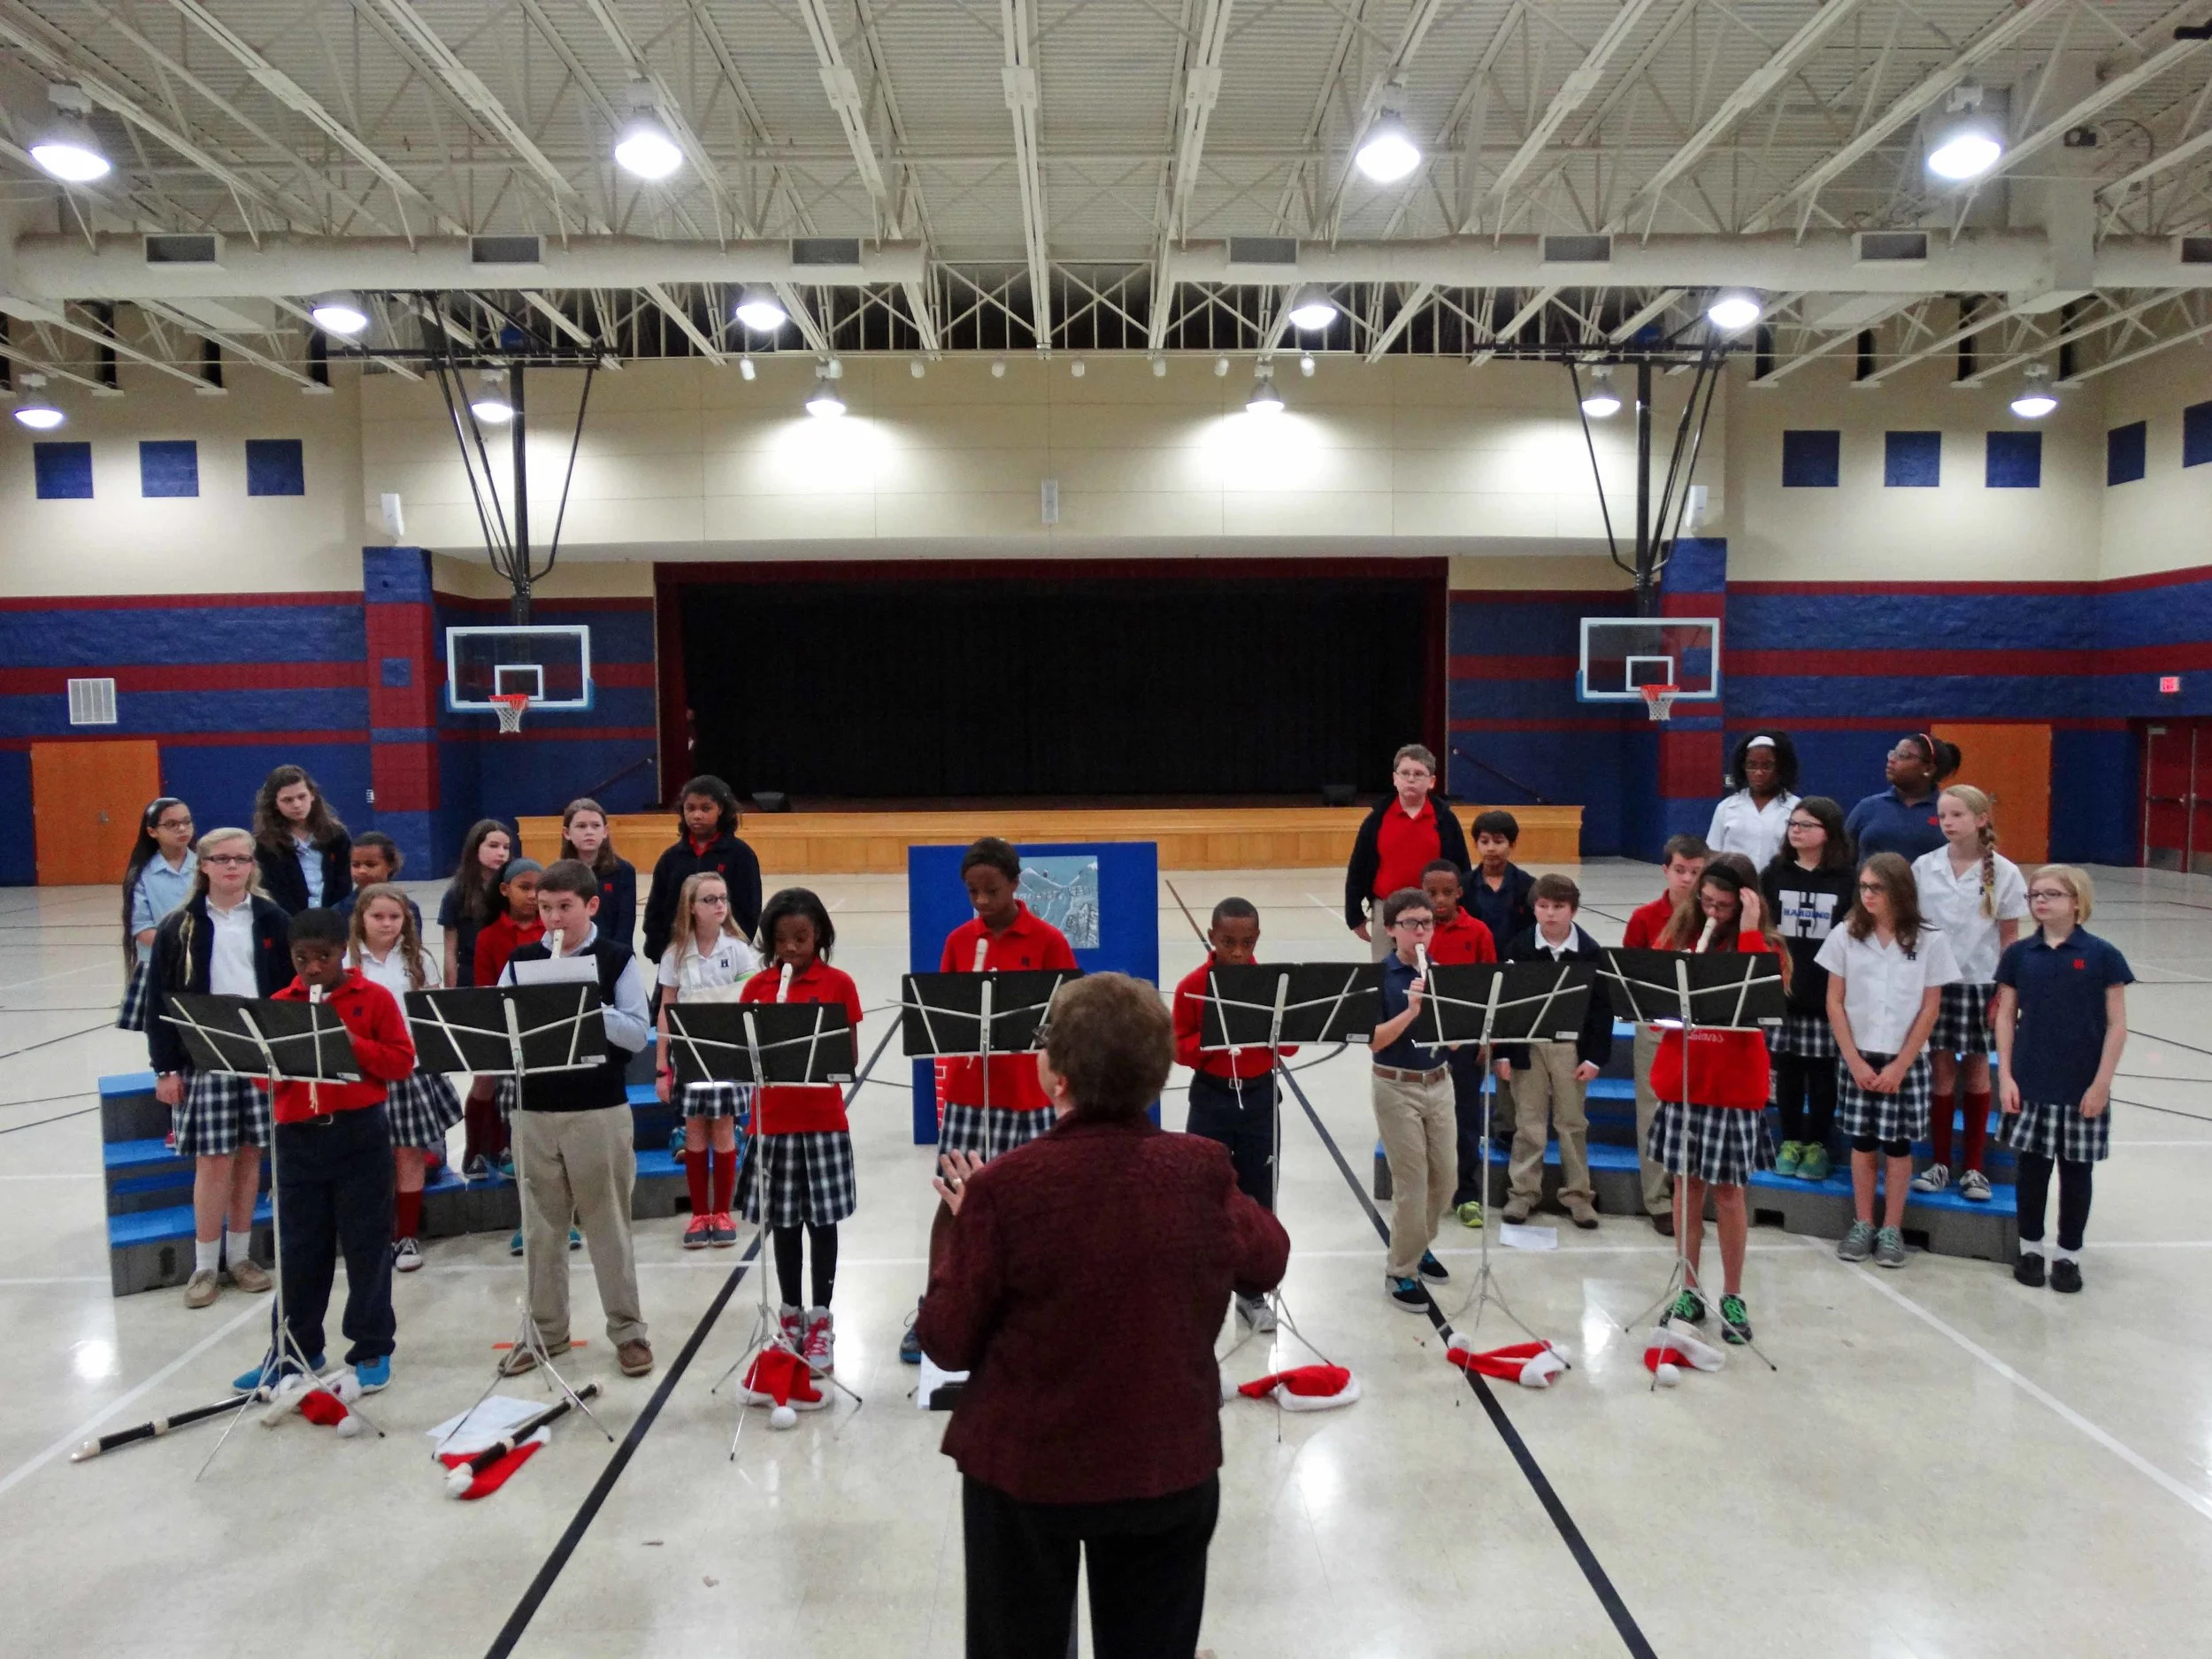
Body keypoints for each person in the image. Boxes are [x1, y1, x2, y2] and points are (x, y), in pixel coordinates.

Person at [916, 972, 1289, 1659]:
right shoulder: (1199, 1168)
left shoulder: (1003, 1188)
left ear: (1054, 1077)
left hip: (1028, 1472)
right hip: (1164, 1461)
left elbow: (945, 1339)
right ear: (1157, 1077)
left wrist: (957, 1229)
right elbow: (1268, 1259)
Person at [903, 837, 1080, 1364]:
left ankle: (1029, 1308)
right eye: (973, 892)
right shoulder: (960, 941)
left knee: (1027, 1205)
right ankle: (937, 1306)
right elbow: (944, 1017)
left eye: (992, 891)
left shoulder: (1047, 940)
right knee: (956, 1197)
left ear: (1015, 884)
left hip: (1026, 1095)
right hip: (969, 1092)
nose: (981, 902)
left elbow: (1066, 1015)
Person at [231, 908, 414, 1395]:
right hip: (297, 1139)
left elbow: (400, 1062)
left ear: (344, 954)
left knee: (366, 1248)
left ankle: (372, 1346)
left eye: (323, 958)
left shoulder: (372, 998)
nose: (312, 968)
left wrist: (350, 1044)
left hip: (359, 1135)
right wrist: (275, 1060)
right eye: (301, 959)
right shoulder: (279, 1003)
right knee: (298, 1251)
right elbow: (257, 1076)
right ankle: (293, 1351)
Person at [499, 859, 655, 1379]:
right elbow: (501, 1034)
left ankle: (629, 1332)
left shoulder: (616, 960)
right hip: (534, 1110)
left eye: (564, 907)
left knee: (608, 1225)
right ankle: (546, 1332)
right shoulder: (520, 962)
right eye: (545, 908)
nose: (553, 919)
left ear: (590, 905)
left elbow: (636, 1034)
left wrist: (583, 1003)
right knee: (542, 1229)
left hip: (598, 1110)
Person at [145, 827, 291, 1309]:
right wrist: (166, 1069)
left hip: (259, 1054)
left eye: (242, 859)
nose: (233, 867)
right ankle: (204, 1265)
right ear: (203, 866)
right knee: (213, 1163)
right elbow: (159, 1003)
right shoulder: (178, 926)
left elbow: (290, 991)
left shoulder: (273, 919)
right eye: (222, 859)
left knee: (250, 1156)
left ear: (253, 866)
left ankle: (240, 1257)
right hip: (204, 1056)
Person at [1651, 857, 1785, 1343]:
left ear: (1747, 900)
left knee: (1728, 1194)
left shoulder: (1766, 946)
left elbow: (1760, 1007)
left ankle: (1732, 1293)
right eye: (1706, 902)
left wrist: (1748, 932)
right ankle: (1688, 1287)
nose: (1713, 911)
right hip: (1686, 1080)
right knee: (1686, 1188)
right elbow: (1650, 1010)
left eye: (1725, 905)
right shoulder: (1678, 938)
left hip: (1732, 1087)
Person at [739, 887, 864, 1371]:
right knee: (784, 1225)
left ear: (819, 937)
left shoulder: (839, 984)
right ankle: (789, 1315)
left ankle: (822, 1319)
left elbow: (846, 1057)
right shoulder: (757, 989)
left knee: (822, 1223)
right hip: (772, 1124)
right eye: (782, 939)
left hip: (822, 1122)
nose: (791, 949)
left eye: (802, 938)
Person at [1995, 866, 2131, 1294]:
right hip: (2031, 1082)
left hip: (2080, 1087)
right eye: (2035, 894)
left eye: (2051, 894)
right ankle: (2030, 1248)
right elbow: (2005, 1016)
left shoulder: (2102, 955)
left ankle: (2069, 1256)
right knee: (2031, 1171)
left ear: (2076, 902)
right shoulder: (2019, 954)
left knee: (2076, 1174)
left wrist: (2101, 1084)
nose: (2040, 901)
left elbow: (2117, 1025)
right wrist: (2006, 1076)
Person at [1820, 851, 1957, 1270]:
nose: (1868, 895)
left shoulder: (1930, 938)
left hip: (1904, 1059)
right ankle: (1863, 1222)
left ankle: (1892, 1227)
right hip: (1859, 1056)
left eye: (1876, 888)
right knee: (1862, 1143)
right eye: (1863, 887)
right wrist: (1855, 1061)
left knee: (1898, 1147)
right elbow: (1834, 1002)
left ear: (1899, 890)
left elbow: (1930, 1008)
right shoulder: (1845, 935)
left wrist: (1900, 1065)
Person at [1171, 896, 1294, 1333]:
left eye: (1246, 942)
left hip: (1260, 1100)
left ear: (1257, 938)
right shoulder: (1191, 986)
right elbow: (1178, 1045)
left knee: (1259, 1196)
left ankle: (1251, 1291)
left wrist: (1268, 1032)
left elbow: (1291, 1044)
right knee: (1204, 1191)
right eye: (1228, 942)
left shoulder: (1271, 984)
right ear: (1212, 937)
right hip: (1211, 1099)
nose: (1238, 952)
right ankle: (1200, 1286)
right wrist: (1210, 1043)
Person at [1910, 785, 2027, 1202]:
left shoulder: (2006, 872)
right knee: (1941, 1071)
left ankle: (1974, 1167)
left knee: (1978, 1071)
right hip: (1937, 983)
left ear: (1980, 819)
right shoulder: (1924, 868)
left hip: (1981, 983)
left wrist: (2006, 991)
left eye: (1957, 815)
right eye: (1942, 815)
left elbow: (2010, 937)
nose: (1947, 822)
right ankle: (1940, 1162)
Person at [348, 882, 461, 1273]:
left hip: (408, 1066)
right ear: (360, 919)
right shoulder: (347, 963)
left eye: (394, 917)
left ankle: (406, 1234)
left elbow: (429, 1017)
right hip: (360, 1072)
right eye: (377, 916)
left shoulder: (418, 960)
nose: (387, 924)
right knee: (367, 1156)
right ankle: (373, 1233)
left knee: (408, 1153)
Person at [1493, 873, 1612, 1228]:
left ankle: (1578, 1196)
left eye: (1558, 907)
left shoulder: (1590, 952)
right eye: (1543, 906)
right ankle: (1523, 1194)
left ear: (1573, 910)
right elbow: (1506, 1005)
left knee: (1571, 1123)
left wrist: (1594, 1058)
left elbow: (1601, 1009)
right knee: (1528, 1123)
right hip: (1529, 1047)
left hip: (1570, 1051)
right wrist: (1503, 1052)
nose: (1550, 914)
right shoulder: (1518, 948)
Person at [655, 871, 761, 1250]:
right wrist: (663, 1066)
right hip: (690, 1053)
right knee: (695, 1131)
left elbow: (751, 999)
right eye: (710, 899)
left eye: (723, 898)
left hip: (727, 1054)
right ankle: (700, 1213)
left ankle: (723, 1212)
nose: (719, 905)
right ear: (691, 908)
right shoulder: (675, 955)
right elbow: (666, 1010)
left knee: (724, 1130)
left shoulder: (738, 950)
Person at [1369, 887, 1455, 1311]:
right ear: (1390, 930)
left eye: (1428, 924)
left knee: (1446, 1179)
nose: (1421, 932)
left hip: (1439, 1082)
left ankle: (1421, 1246)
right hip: (1395, 1084)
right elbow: (1374, 1040)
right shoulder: (1380, 978)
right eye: (1410, 924)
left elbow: (1453, 1039)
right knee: (1412, 1182)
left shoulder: (1442, 972)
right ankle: (1399, 1271)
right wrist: (1412, 1011)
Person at [1763, 797, 1855, 1182]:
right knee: (1786, 1072)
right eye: (1792, 824)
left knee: (1821, 1075)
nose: (1796, 830)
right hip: (1784, 991)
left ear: (1827, 833)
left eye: (1806, 825)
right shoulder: (1774, 874)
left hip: (1825, 994)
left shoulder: (1847, 879)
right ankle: (1789, 1140)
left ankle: (1817, 1144)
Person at [1622, 833, 1709, 1235]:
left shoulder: (1713, 918)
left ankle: (1691, 1195)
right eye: (1680, 870)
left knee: (1699, 1113)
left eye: (1696, 872)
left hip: (1704, 1031)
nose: (1687, 879)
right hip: (1658, 1027)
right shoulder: (1644, 917)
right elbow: (1629, 977)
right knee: (1653, 1112)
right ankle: (1658, 1199)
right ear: (1665, 870)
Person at [1420, 859, 1496, 1229]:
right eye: (1431, 893)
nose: (1439, 900)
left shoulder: (1478, 932)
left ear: (1460, 893)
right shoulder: (1415, 933)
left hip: (1466, 1045)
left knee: (1465, 1119)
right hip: (1423, 1045)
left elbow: (1491, 991)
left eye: (1446, 892)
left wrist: (1486, 1035)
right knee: (1424, 1121)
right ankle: (1429, 1192)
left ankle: (1466, 1194)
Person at [1342, 743, 1471, 960]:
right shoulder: (1377, 819)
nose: (1411, 779)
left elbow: (1461, 868)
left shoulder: (1445, 819)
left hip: (1434, 911)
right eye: (1405, 773)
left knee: (1432, 974)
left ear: (1431, 781)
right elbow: (1358, 867)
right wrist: (1354, 916)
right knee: (1385, 976)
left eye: (1419, 774)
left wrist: (1463, 910)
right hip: (1386, 909)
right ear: (1395, 778)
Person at [641, 775, 763, 968]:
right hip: (677, 957)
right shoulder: (670, 858)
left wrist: (730, 948)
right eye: (690, 808)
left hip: (723, 958)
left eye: (706, 808)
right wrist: (661, 951)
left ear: (721, 809)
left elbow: (749, 911)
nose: (696, 815)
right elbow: (656, 909)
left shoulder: (741, 856)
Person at [117, 796, 196, 1033]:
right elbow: (141, 928)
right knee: (162, 1034)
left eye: (187, 822)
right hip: (160, 963)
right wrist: (177, 949)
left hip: (203, 959)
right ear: (152, 832)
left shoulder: (206, 865)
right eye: (172, 824)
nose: (182, 829)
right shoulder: (143, 874)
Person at [251, 764, 353, 915]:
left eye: (301, 797)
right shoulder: (264, 844)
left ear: (312, 795)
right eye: (288, 800)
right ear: (275, 804)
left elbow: (344, 884)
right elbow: (272, 891)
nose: (297, 805)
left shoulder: (336, 836)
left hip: (333, 922)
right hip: (288, 924)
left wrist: (332, 918)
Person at [1846, 733, 1959, 864]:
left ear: (1928, 768)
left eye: (1903, 755)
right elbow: (1843, 860)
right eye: (1893, 753)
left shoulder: (1949, 810)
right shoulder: (1867, 807)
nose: (1892, 760)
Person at [1706, 733, 1801, 870]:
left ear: (1781, 768)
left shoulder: (1796, 808)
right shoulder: (1726, 807)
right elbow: (1713, 852)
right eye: (1752, 765)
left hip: (1776, 887)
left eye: (1767, 766)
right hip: (1733, 887)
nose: (1758, 772)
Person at [438, 819, 513, 987]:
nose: (501, 853)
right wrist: (452, 993)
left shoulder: (514, 890)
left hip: (508, 971)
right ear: (475, 848)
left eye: (506, 847)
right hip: (471, 975)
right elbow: (450, 952)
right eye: (493, 846)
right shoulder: (457, 893)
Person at [561, 797, 638, 952]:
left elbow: (625, 924)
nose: (589, 831)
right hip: (572, 954)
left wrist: (617, 957)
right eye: (581, 826)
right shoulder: (558, 874)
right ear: (567, 833)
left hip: (613, 954)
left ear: (605, 831)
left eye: (595, 826)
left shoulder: (623, 871)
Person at [1462, 809, 1537, 951]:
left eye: (1498, 841)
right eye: (1484, 841)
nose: (1491, 848)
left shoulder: (1528, 886)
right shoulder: (1464, 885)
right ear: (1475, 844)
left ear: (1512, 844)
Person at [334, 833, 419, 927]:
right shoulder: (339, 911)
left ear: (390, 865)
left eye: (371, 865)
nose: (362, 871)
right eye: (356, 865)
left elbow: (412, 941)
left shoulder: (408, 908)